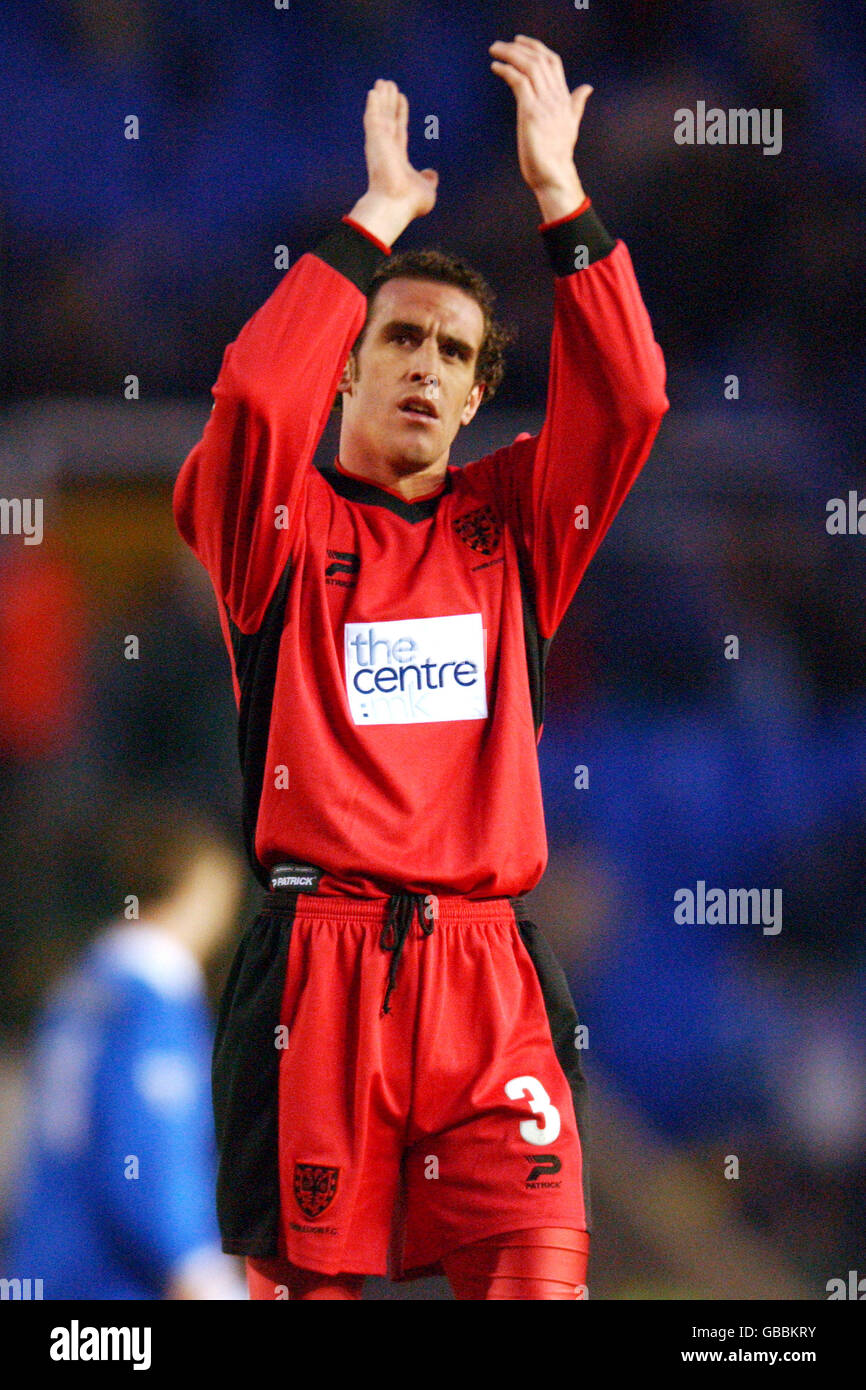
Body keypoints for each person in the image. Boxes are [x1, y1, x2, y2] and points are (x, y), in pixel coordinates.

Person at [173, 34, 668, 1300]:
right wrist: (378, 219)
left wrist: (561, 196)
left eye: (453, 355)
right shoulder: (273, 529)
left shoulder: (515, 529)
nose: (423, 365)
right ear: (349, 358)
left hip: (486, 973)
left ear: (473, 399)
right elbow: (251, 398)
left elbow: (627, 400)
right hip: (317, 977)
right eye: (399, 337)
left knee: (542, 1273)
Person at [2, 797, 247, 1299]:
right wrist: (196, 1269)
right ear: (191, 894)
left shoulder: (78, 986)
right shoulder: (154, 1000)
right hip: (113, 1285)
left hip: (41, 1266)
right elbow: (150, 1155)